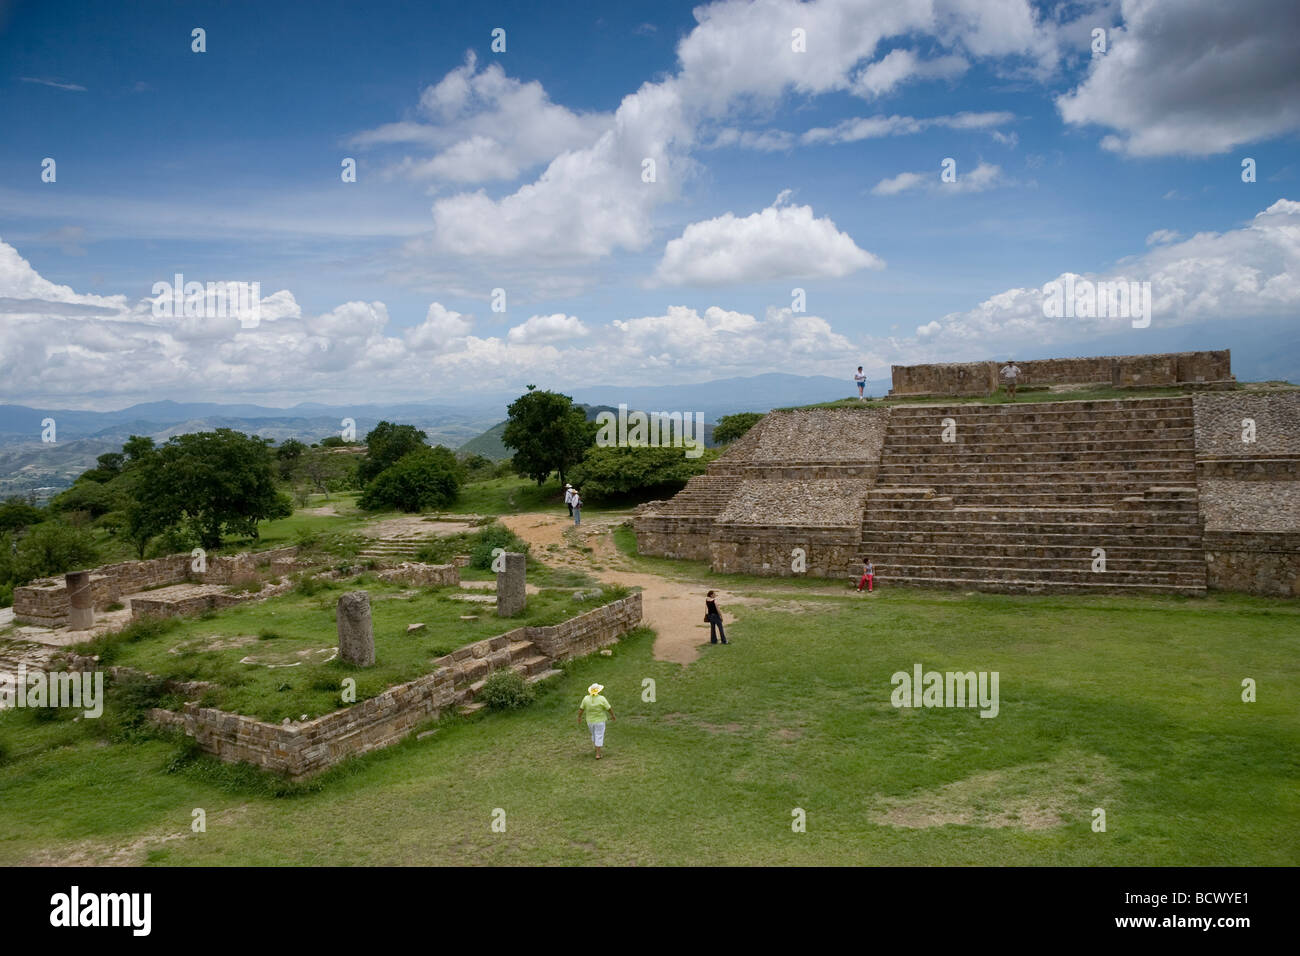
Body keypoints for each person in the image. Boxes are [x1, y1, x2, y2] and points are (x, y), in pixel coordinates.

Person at [578, 682, 614, 758]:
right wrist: (613, 715)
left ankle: (596, 748)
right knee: (599, 735)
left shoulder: (586, 698)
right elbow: (609, 708)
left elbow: (581, 709)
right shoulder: (602, 699)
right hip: (600, 721)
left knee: (594, 734)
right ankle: (598, 754)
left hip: (590, 721)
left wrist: (579, 717)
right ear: (599, 691)